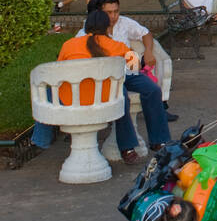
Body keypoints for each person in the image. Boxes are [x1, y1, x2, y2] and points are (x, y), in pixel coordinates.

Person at [31, 9, 172, 163]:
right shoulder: (116, 46)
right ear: (107, 27)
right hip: (105, 99)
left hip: (71, 99)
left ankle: (40, 140)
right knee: (121, 92)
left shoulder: (69, 45)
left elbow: (59, 71)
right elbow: (134, 67)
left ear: (86, 27)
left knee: (50, 90)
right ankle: (130, 147)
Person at [86, 0, 177, 121]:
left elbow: (144, 35)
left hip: (128, 69)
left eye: (116, 12)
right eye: (109, 13)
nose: (113, 16)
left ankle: (160, 123)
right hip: (102, 74)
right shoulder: (88, 33)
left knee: (151, 87)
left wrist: (148, 52)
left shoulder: (123, 25)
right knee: (121, 92)